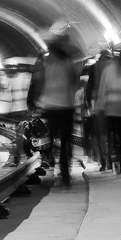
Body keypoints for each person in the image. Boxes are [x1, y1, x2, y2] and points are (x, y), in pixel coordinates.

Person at [29, 31, 78, 185]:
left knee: (51, 138)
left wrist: (35, 102)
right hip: (66, 106)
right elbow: (74, 82)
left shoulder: (44, 61)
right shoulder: (67, 61)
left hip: (50, 107)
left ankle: (52, 161)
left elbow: (37, 83)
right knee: (66, 141)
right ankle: (65, 172)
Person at [94, 50, 121, 173]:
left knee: (113, 137)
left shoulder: (108, 71)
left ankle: (115, 158)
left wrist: (99, 107)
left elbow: (103, 90)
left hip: (112, 111)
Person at [85, 49, 111, 170]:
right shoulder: (114, 67)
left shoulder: (93, 68)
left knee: (101, 135)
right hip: (113, 105)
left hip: (98, 106)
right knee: (111, 134)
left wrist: (89, 105)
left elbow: (89, 88)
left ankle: (104, 161)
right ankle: (112, 160)